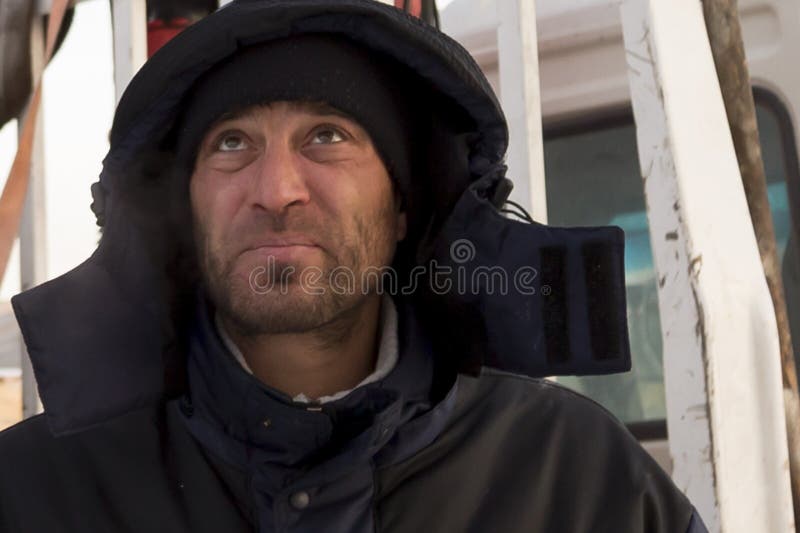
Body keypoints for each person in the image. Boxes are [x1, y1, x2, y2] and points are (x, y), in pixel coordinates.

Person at [0, 1, 708, 531]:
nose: (277, 190)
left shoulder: (583, 485)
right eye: (231, 144)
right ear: (187, 209)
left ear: (403, 205)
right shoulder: (37, 493)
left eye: (327, 135)